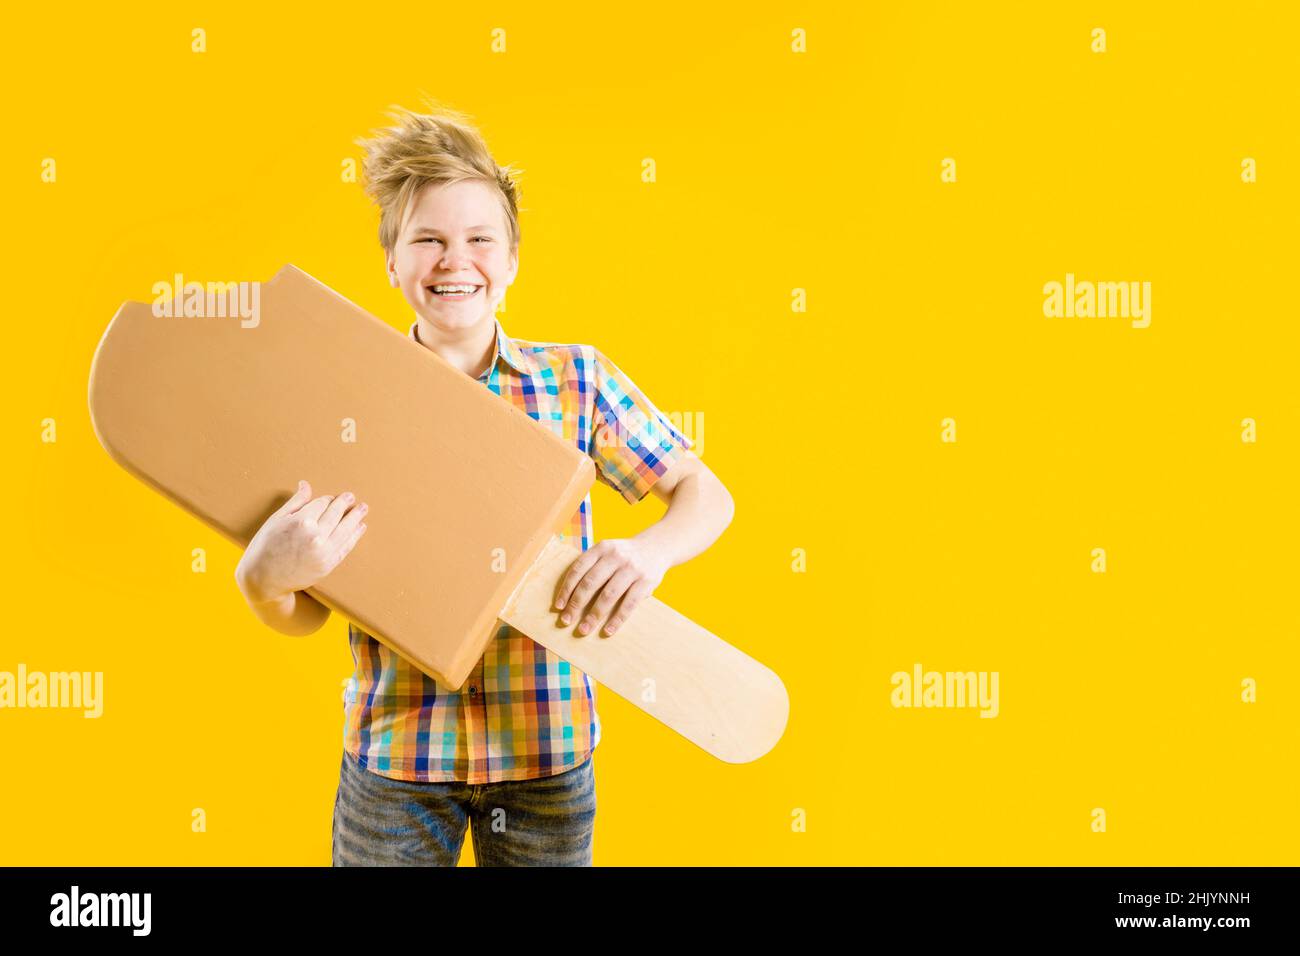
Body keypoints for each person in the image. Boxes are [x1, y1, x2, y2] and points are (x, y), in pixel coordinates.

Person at [233, 100, 735, 866]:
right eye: (426, 240)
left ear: (510, 262)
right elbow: (303, 613)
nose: (452, 260)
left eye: (478, 240)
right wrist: (263, 580)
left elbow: (707, 496)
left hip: (546, 756)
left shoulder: (578, 381)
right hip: (395, 762)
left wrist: (649, 554)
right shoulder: (341, 406)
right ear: (392, 264)